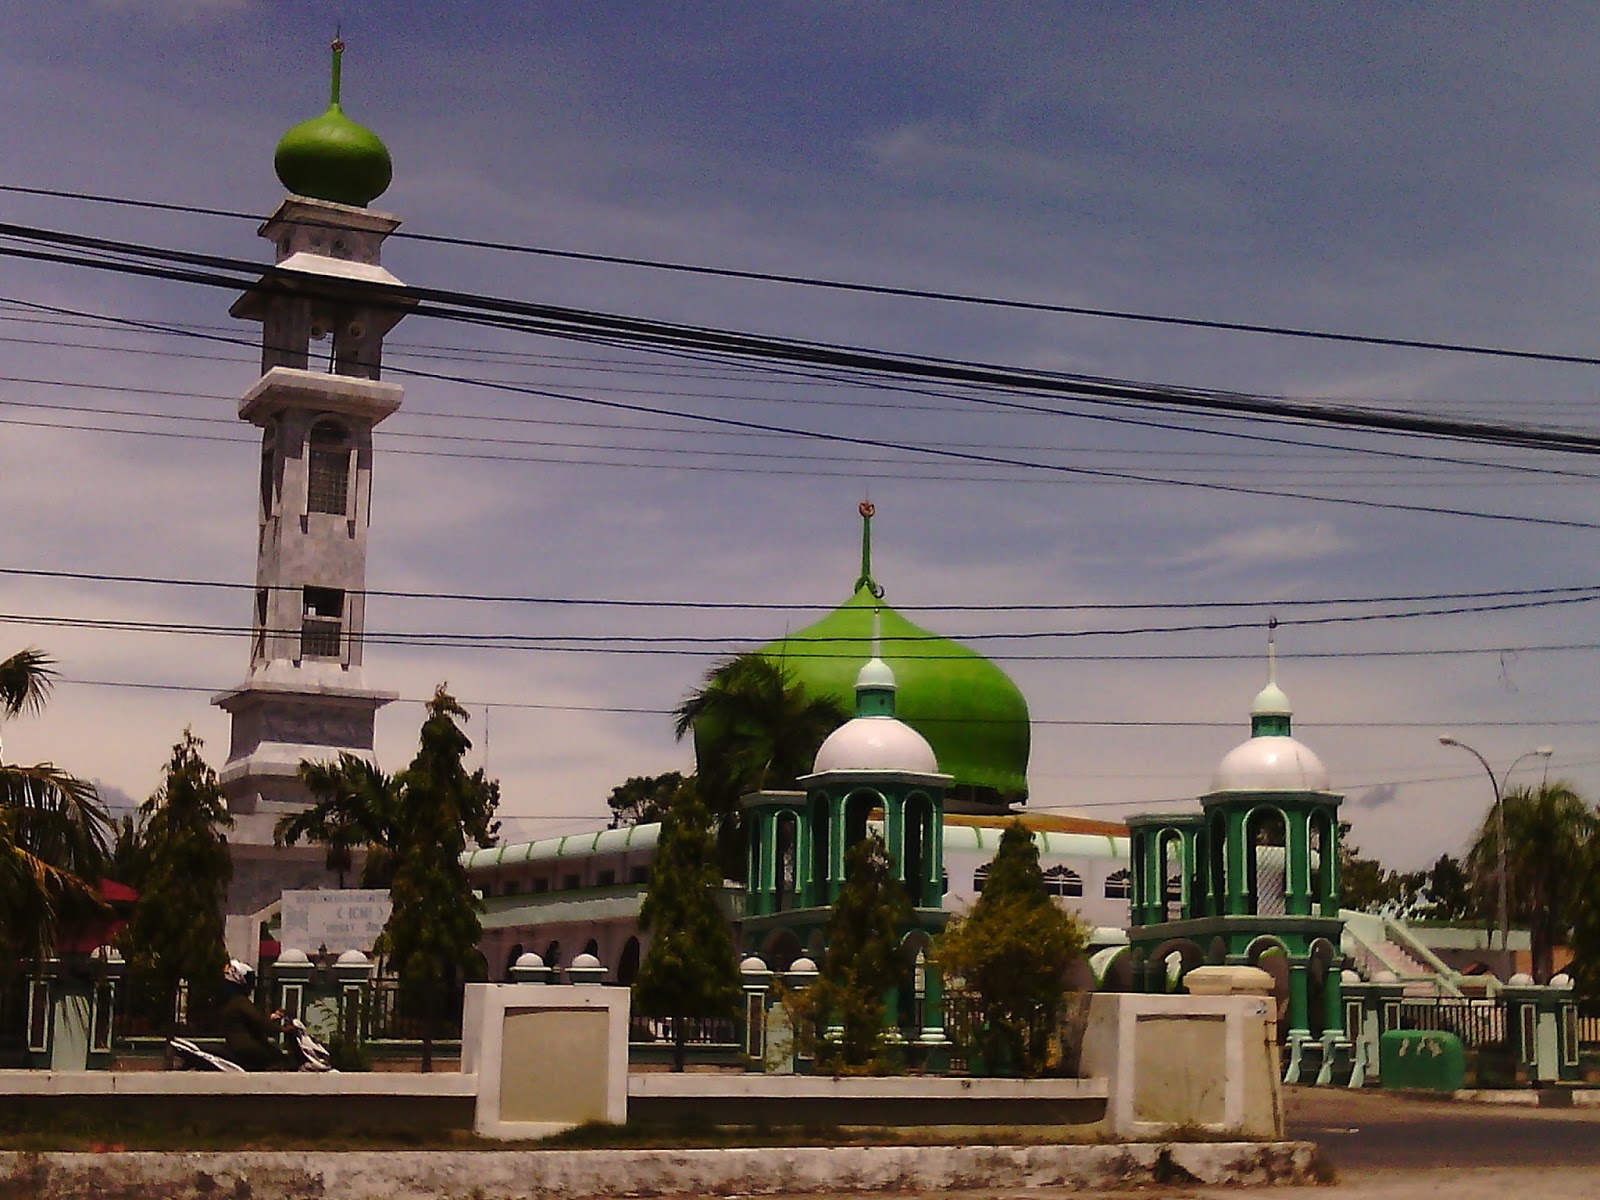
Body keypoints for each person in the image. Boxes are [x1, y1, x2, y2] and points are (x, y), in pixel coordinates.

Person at [219, 958, 289, 1070]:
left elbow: (254, 1018)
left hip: (240, 1044)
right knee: (280, 1059)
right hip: (246, 1046)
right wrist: (282, 1029)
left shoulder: (235, 1001)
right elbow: (259, 1021)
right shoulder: (240, 1002)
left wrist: (272, 1018)